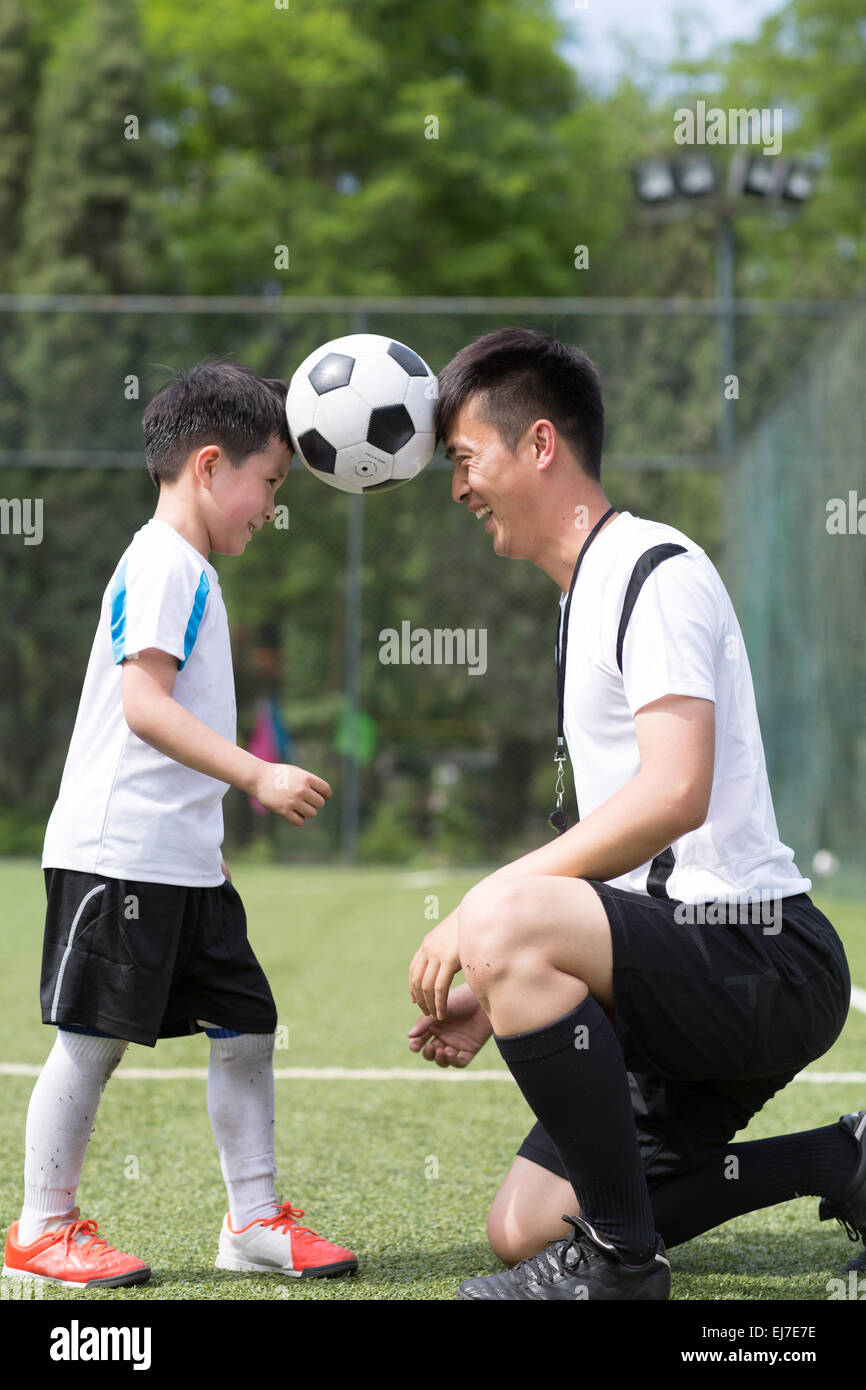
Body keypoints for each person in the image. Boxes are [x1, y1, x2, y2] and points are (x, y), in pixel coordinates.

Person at [407, 327, 864, 1301]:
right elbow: (608, 849)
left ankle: (620, 1264)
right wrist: (501, 985)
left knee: (503, 913)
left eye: (463, 458)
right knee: (521, 1226)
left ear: (537, 444)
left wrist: (495, 910)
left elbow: (673, 793)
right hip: (675, 974)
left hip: (755, 954)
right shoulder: (581, 596)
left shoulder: (653, 571)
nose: (457, 487)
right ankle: (840, 1161)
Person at [2, 359, 357, 1290]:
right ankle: (43, 1228)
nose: (270, 507)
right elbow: (145, 708)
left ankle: (252, 1222)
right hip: (119, 857)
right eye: (269, 484)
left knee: (245, 1023)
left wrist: (211, 853)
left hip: (180, 865)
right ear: (209, 466)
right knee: (93, 1038)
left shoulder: (184, 566)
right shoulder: (164, 562)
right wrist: (258, 774)